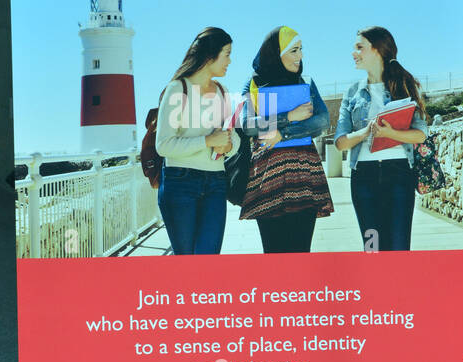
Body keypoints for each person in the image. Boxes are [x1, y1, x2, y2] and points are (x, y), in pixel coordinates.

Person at [239, 26, 332, 253]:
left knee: (301, 253)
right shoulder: (253, 84)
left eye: (301, 50)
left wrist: (283, 133)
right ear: (275, 52)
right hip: (267, 177)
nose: (299, 56)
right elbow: (248, 125)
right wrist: (290, 116)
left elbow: (322, 121)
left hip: (304, 176)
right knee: (273, 255)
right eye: (293, 50)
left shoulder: (306, 82)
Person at [334, 27, 428, 252]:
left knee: (398, 249)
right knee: (372, 250)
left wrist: (389, 134)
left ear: (377, 49)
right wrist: (366, 132)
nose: (353, 52)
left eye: (359, 47)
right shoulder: (352, 92)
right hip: (363, 178)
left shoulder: (405, 85)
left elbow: (421, 133)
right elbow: (340, 142)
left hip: (399, 175)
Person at [154, 26, 240, 255]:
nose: (230, 61)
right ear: (211, 54)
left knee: (208, 258)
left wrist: (229, 145)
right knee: (188, 262)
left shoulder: (223, 91)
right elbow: (163, 145)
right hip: (180, 183)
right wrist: (208, 140)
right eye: (227, 54)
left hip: (216, 182)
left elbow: (233, 137)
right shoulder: (177, 90)